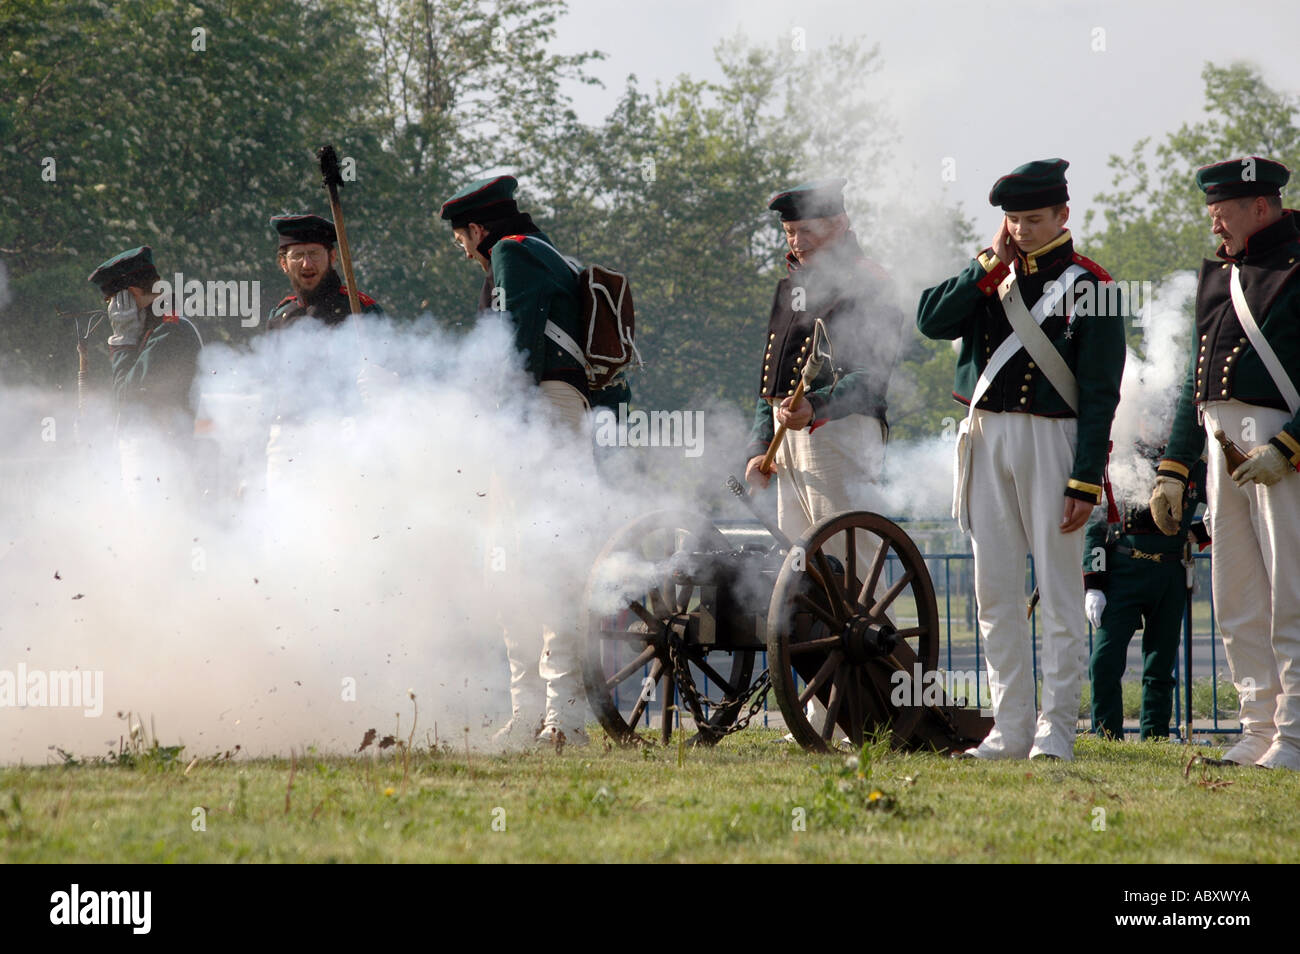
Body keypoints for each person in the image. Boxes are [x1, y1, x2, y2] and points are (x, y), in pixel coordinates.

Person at [917, 158, 1126, 761]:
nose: (1024, 230)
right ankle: (1009, 727)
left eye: (1034, 219)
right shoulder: (993, 277)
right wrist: (988, 262)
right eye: (1014, 220)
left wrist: (1085, 478)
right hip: (987, 437)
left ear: (1063, 214)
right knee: (995, 592)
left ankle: (1055, 729)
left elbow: (1101, 395)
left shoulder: (1093, 288)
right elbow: (932, 320)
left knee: (1060, 594)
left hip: (1053, 441)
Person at [1149, 156, 1300, 770]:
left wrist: (1289, 446)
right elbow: (1198, 381)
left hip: (1280, 444)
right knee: (1236, 596)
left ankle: (1294, 735)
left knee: (1291, 593)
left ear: (1261, 207)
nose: (1216, 225)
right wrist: (1174, 467)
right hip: (1223, 443)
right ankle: (1257, 726)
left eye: (1224, 212)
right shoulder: (1220, 276)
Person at [439, 174, 592, 747]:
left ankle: (562, 717)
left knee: (545, 563)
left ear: (478, 229)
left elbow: (516, 349)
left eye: (461, 239)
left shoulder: (511, 252)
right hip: (537, 410)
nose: (464, 250)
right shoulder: (539, 251)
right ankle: (529, 712)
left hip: (535, 412)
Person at [741, 177, 903, 541]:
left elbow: (872, 375)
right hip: (788, 440)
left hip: (838, 429)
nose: (797, 243)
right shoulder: (792, 286)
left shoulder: (867, 281)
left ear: (839, 224)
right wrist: (760, 446)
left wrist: (815, 407)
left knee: (849, 564)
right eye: (789, 232)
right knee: (801, 570)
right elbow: (773, 383)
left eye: (807, 230)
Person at [1085, 447, 1206, 740]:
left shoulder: (1192, 464)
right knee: (1104, 661)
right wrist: (1094, 583)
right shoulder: (1116, 458)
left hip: (1170, 571)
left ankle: (1155, 735)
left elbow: (1228, 503)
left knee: (1160, 664)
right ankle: (1106, 736)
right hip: (1122, 571)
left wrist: (1199, 532)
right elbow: (1096, 526)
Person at [87, 245, 203, 497]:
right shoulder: (154, 331)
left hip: (164, 462)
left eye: (112, 301)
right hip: (153, 459)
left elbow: (126, 394)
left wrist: (123, 339)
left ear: (127, 295)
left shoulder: (170, 331)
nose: (111, 310)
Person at [266, 214, 383, 329]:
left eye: (314, 254)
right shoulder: (279, 318)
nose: (307, 264)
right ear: (284, 264)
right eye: (298, 255)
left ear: (332, 257)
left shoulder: (360, 310)